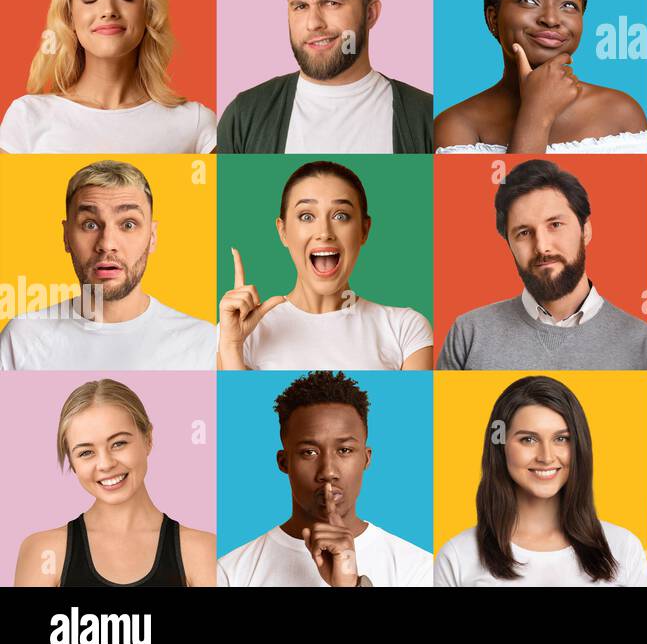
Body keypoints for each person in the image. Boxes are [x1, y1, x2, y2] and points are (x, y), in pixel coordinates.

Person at [217, 0, 433, 154]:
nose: (314, 23)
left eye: (332, 3)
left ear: (370, 14)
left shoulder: (426, 117)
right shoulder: (244, 115)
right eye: (300, 6)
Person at [218, 371, 433, 586]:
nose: (328, 472)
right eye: (309, 452)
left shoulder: (419, 569)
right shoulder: (230, 573)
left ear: (365, 459)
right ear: (284, 462)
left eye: (345, 450)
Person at [0, 0, 217, 154]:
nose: (108, 10)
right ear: (70, 18)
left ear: (148, 13)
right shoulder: (28, 117)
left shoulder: (195, 123)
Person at [0, 161, 216, 371]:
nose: (106, 244)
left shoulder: (201, 343)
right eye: (90, 224)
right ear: (66, 236)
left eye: (128, 225)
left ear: (152, 236)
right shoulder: (22, 340)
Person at [218, 161, 434, 371]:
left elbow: (411, 408)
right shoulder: (240, 332)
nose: (324, 232)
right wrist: (230, 346)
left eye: (341, 216)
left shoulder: (405, 328)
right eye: (306, 216)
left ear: (364, 230)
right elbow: (240, 409)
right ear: (283, 232)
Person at [434, 376, 647, 586]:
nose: (546, 456)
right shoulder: (457, 556)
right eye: (528, 439)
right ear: (500, 446)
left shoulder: (623, 548)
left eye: (561, 439)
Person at [433, 0, 647, 154]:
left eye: (569, 5)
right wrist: (536, 115)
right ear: (493, 18)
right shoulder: (455, 126)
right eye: (529, 0)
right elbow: (507, 192)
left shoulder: (622, 112)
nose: (551, 19)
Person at [436, 160, 647, 370]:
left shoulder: (643, 342)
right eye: (524, 233)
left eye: (555, 225)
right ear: (509, 244)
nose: (542, 247)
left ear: (585, 231)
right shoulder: (469, 333)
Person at [14, 379, 215, 587]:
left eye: (118, 443)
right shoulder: (43, 551)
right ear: (73, 463)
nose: (106, 464)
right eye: (86, 452)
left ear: (148, 439)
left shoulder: (202, 550)